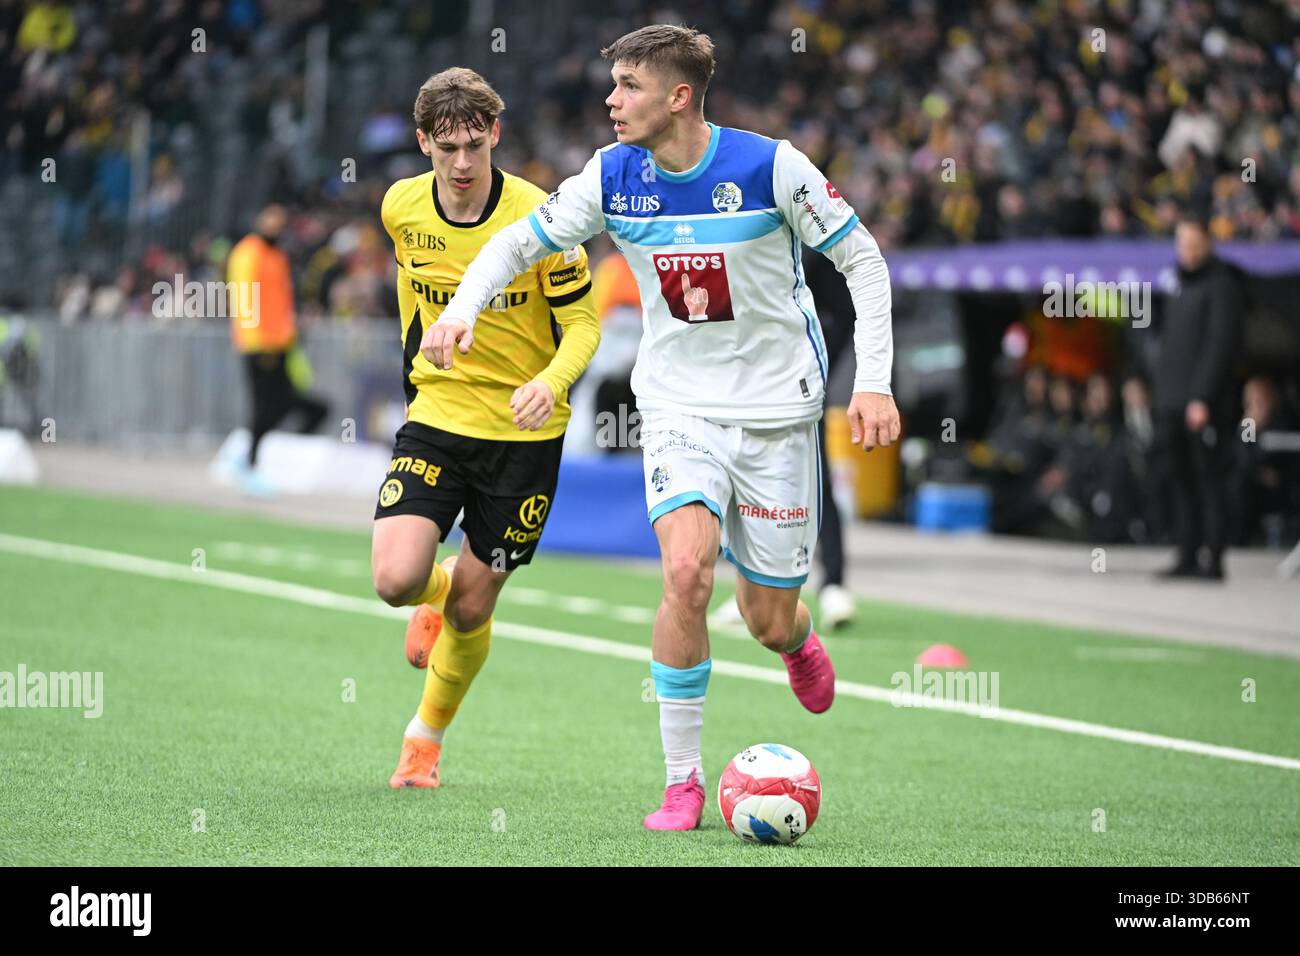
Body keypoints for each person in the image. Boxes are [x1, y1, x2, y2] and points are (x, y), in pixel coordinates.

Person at [429, 25, 899, 830]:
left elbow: (865, 261)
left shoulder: (771, 167)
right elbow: (516, 244)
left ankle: (793, 641)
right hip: (679, 408)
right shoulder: (612, 178)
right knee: (686, 573)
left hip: (779, 414)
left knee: (764, 617)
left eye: (628, 85)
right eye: (613, 84)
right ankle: (683, 780)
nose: (610, 100)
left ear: (678, 97)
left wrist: (877, 385)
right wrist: (463, 311)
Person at [371, 68, 600, 788]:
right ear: (423, 145)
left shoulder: (544, 218)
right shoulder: (400, 209)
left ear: (496, 135)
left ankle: (424, 740)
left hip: (525, 437)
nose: (463, 164)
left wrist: (551, 381)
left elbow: (585, 324)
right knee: (395, 580)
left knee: (474, 604)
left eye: (475, 144)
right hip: (437, 417)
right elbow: (414, 298)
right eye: (447, 149)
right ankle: (429, 597)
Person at [1151, 213, 1244, 580]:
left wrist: (1201, 398)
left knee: (1209, 480)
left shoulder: (1221, 286)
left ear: (1208, 243)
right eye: (1181, 244)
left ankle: (1213, 558)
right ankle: (1186, 553)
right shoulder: (1175, 283)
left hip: (1203, 404)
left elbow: (1218, 347)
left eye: (1193, 244)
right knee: (1180, 479)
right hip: (1172, 400)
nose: (1186, 252)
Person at [227, 204, 329, 495]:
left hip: (282, 343)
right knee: (264, 404)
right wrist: (256, 341)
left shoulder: (278, 255)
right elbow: (244, 296)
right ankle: (249, 463)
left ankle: (250, 458)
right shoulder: (248, 252)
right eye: (270, 217)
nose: (275, 224)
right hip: (260, 345)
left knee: (283, 402)